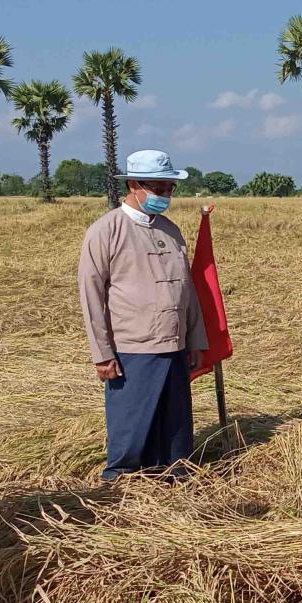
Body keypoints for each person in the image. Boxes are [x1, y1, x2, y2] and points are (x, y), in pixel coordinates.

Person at [78, 149, 208, 479]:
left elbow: (187, 290)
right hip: (132, 350)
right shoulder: (106, 231)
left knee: (175, 434)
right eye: (158, 188)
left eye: (169, 189)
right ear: (134, 185)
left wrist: (195, 339)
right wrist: (102, 354)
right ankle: (119, 489)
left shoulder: (171, 230)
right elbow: (91, 296)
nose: (165, 195)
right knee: (131, 430)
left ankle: (173, 485)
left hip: (175, 347)